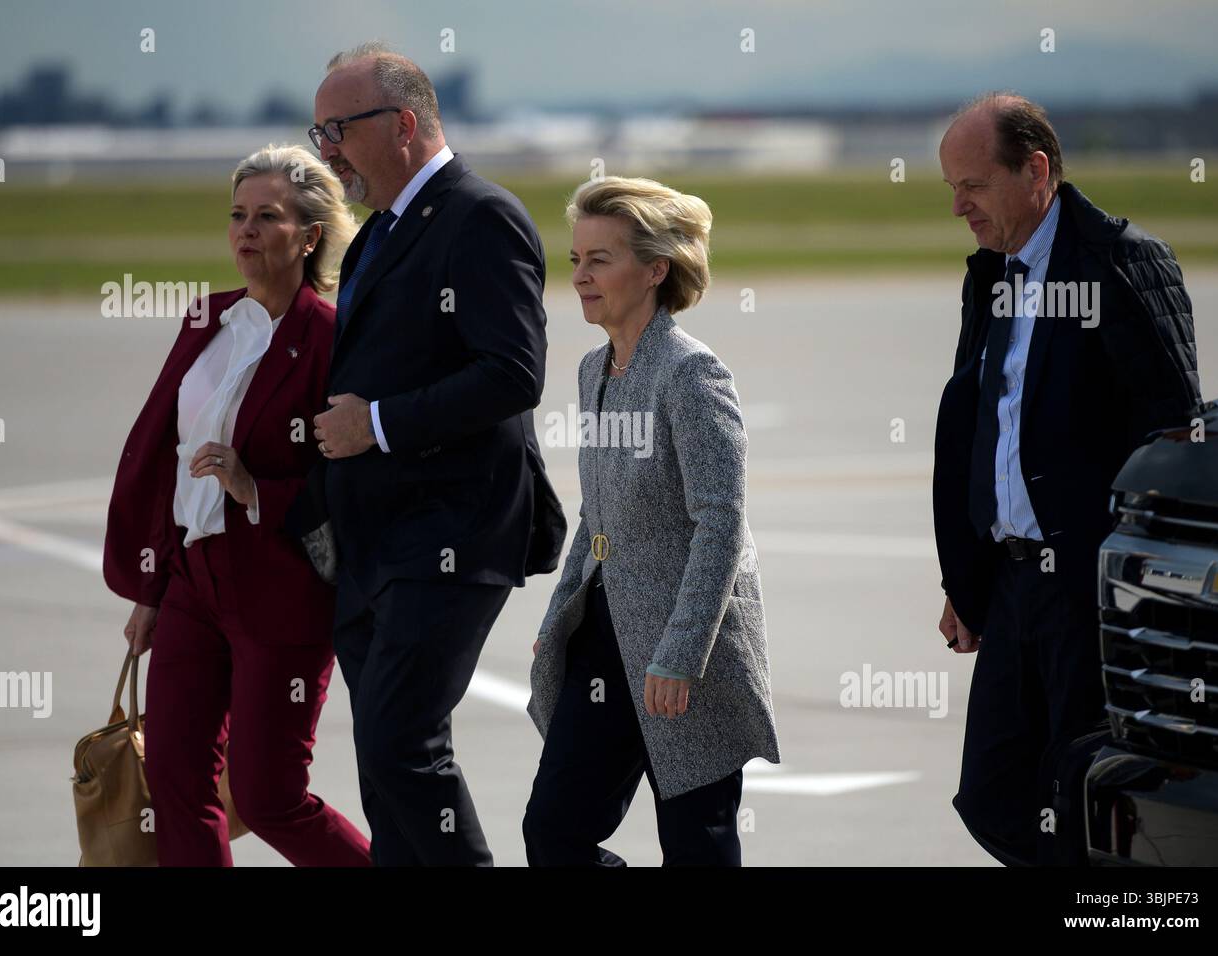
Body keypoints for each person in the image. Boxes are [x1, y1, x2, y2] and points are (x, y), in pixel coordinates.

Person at [302, 42, 565, 866]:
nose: (327, 150)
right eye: (319, 132)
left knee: (400, 747)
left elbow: (512, 373)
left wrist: (376, 424)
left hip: (452, 530)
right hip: (372, 542)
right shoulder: (378, 230)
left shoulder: (479, 215)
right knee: (383, 773)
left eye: (338, 128)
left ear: (405, 124)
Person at [933, 93, 1202, 865]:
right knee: (992, 795)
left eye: (973, 186)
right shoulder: (991, 273)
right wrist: (969, 575)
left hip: (1090, 585)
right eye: (951, 189)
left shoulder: (1119, 261)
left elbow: (1175, 430)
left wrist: (1144, 583)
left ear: (1036, 171)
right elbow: (982, 428)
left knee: (1083, 793)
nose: (959, 207)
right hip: (1013, 585)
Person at [103, 144, 370, 866]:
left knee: (268, 797)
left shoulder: (331, 337)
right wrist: (155, 589)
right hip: (193, 580)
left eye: (268, 216)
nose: (247, 231)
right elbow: (167, 464)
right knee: (176, 780)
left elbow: (356, 483)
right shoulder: (205, 321)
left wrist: (257, 489)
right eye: (238, 215)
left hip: (280, 589)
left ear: (309, 236)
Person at [522, 176, 782, 866]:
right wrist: (558, 622)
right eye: (575, 259)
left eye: (599, 259)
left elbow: (721, 523)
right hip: (606, 640)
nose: (579, 276)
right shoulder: (592, 370)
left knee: (697, 847)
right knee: (553, 832)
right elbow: (595, 516)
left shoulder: (692, 374)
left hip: (686, 648)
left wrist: (681, 653)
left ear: (655, 269)